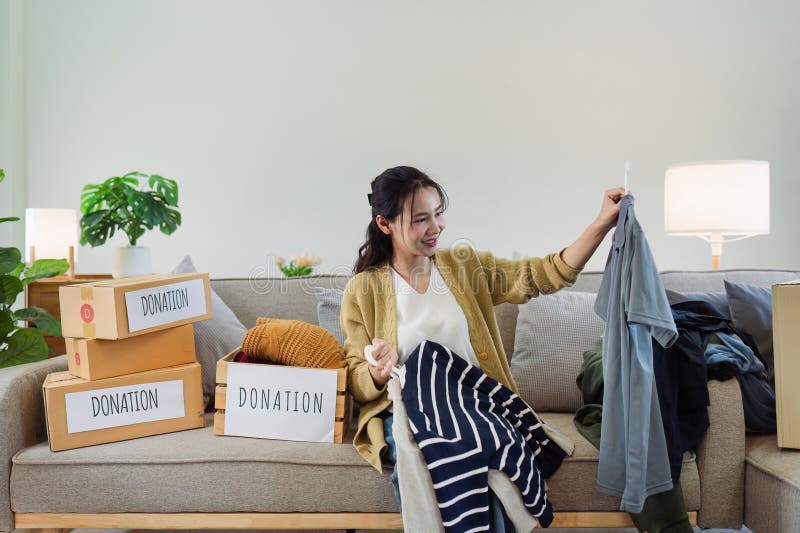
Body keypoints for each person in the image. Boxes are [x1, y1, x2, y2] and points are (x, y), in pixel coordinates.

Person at [339, 165, 624, 512]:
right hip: (413, 413)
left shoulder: (465, 266)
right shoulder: (363, 290)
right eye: (419, 219)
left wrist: (600, 225)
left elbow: (542, 275)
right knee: (425, 466)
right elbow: (354, 376)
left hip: (477, 406)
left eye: (439, 214)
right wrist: (375, 372)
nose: (436, 228)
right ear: (385, 224)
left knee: (487, 467)